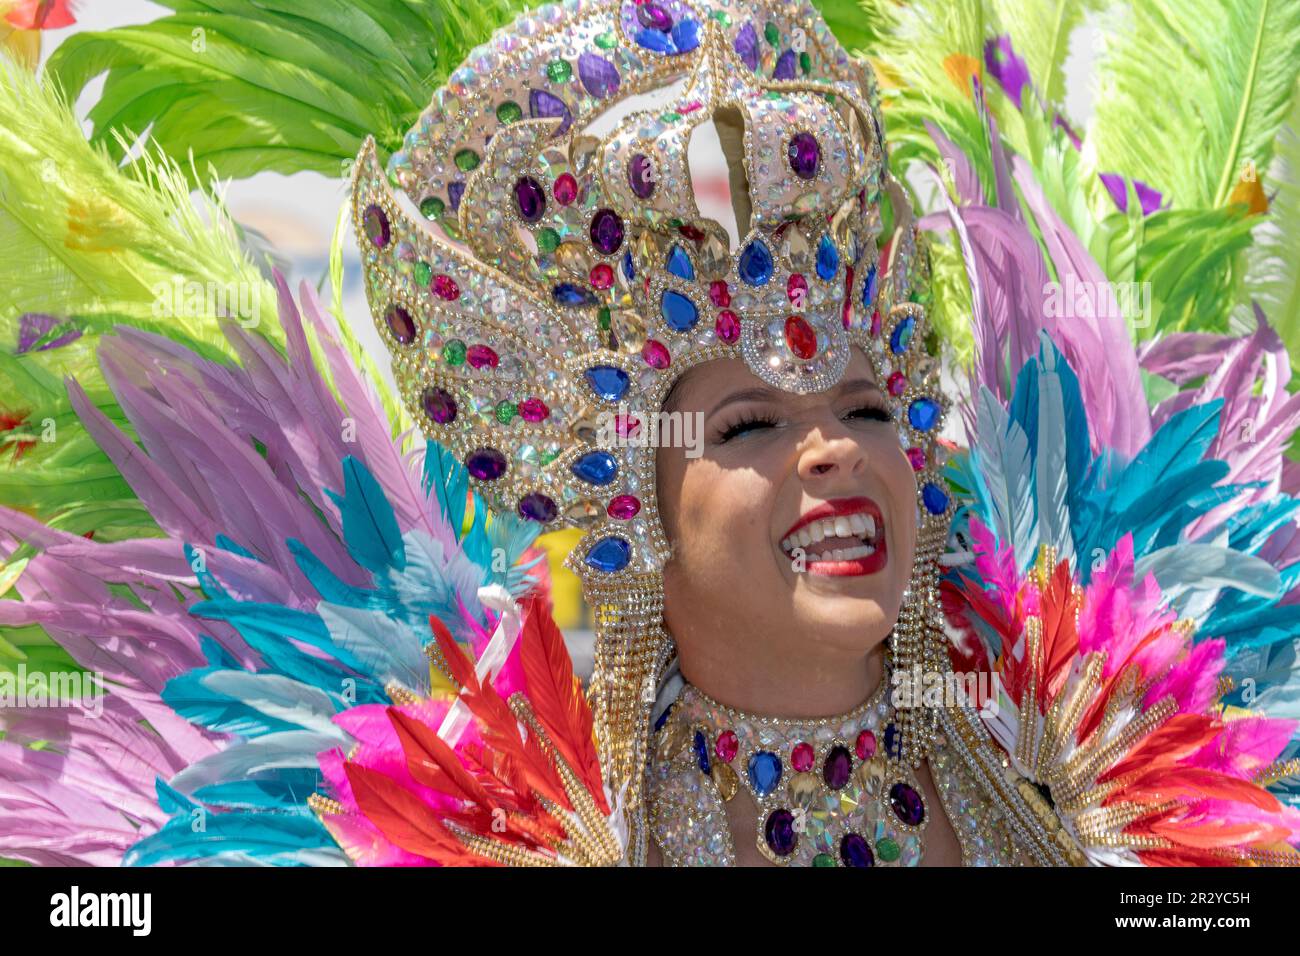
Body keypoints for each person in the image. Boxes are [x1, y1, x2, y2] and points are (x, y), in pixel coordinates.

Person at [1, 0, 1298, 868]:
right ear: (626, 495)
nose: (834, 450)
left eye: (863, 408)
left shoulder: (1135, 753)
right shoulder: (470, 833)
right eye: (748, 423)